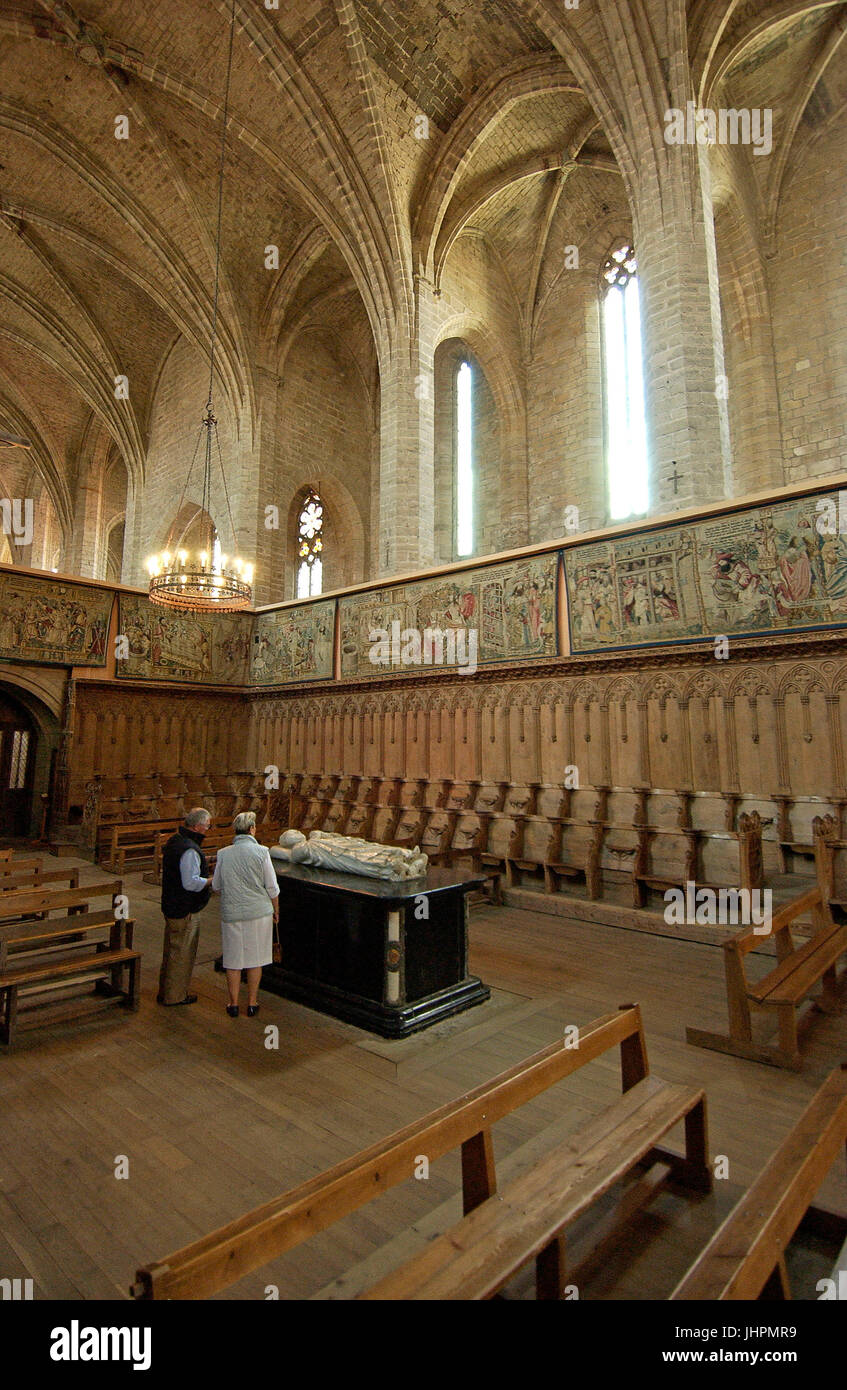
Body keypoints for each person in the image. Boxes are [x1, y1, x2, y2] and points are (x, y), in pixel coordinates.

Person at [212, 811, 280, 1018]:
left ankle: (233, 1004)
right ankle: (251, 1003)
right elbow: (272, 886)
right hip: (259, 912)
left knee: (233, 960)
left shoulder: (224, 853)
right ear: (252, 829)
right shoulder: (262, 852)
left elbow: (216, 885)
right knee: (255, 959)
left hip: (232, 912)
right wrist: (276, 910)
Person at [158, 807, 214, 1006]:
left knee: (172, 952)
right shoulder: (189, 848)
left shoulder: (176, 840)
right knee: (182, 955)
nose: (208, 830)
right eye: (207, 826)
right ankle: (175, 996)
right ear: (198, 826)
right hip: (183, 909)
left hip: (171, 904)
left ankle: (166, 991)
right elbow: (190, 883)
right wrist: (210, 880)